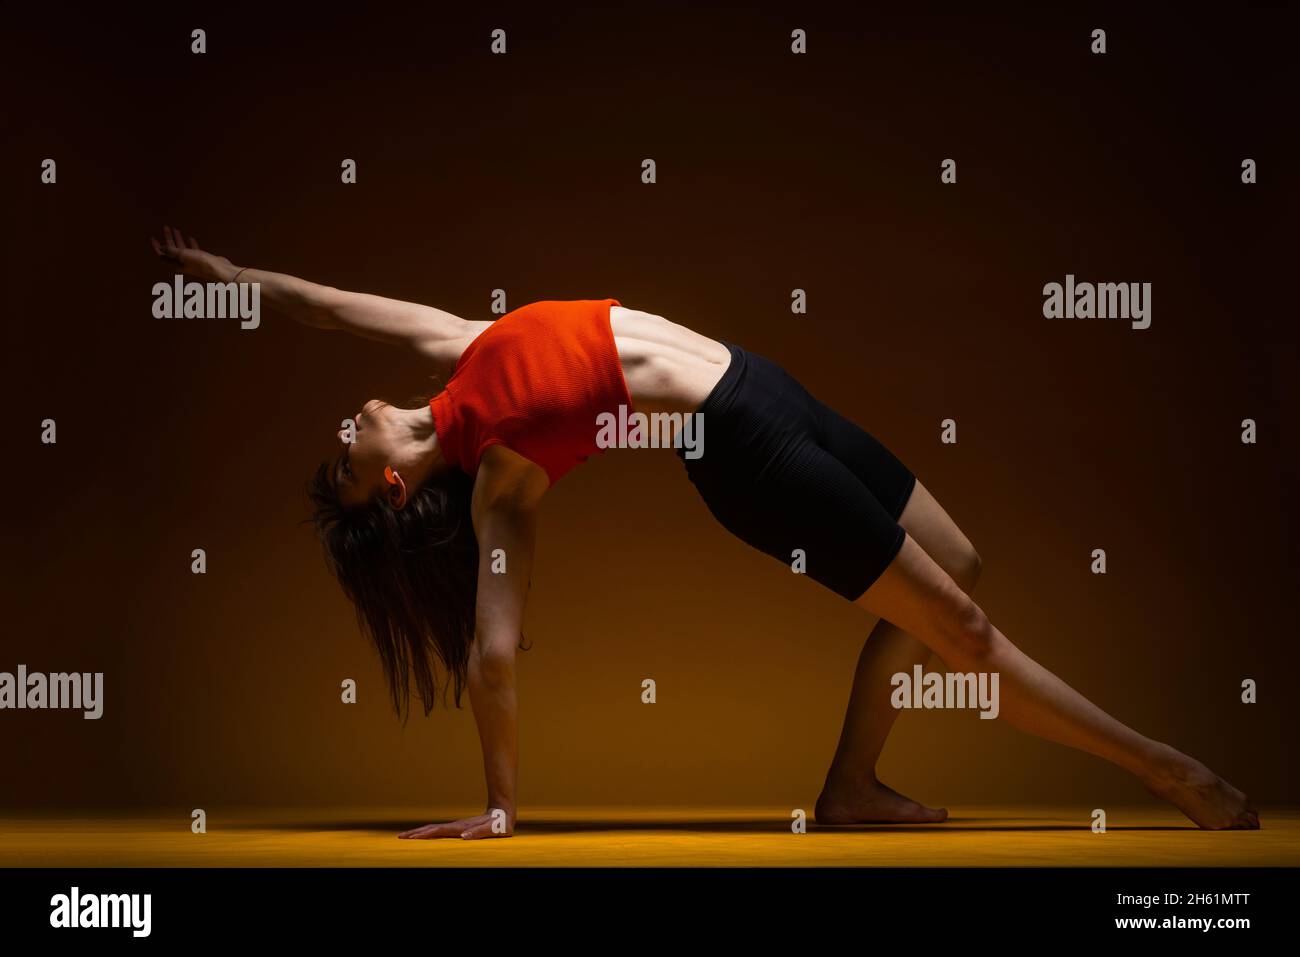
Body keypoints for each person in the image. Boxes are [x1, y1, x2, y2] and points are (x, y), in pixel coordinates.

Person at [151, 226, 1260, 840]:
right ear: (391, 489)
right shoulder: (502, 478)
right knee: (962, 625)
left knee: (958, 562)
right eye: (346, 459)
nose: (343, 425)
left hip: (768, 388)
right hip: (741, 452)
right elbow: (493, 654)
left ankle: (850, 790)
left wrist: (230, 278)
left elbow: (330, 301)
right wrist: (500, 807)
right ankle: (1164, 773)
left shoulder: (460, 349)